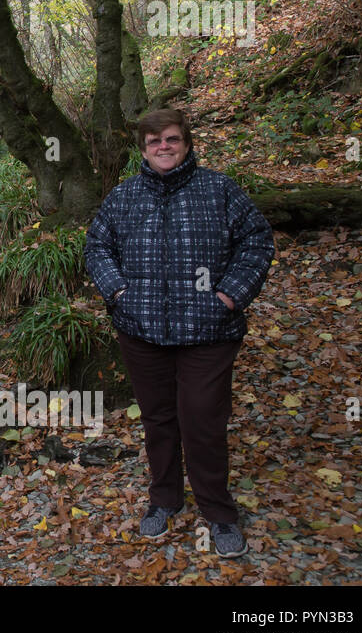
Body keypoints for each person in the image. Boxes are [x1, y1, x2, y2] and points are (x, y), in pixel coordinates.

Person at [84, 108, 274, 558]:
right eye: (154, 142)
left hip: (209, 330)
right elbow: (97, 247)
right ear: (144, 149)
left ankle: (219, 511)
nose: (163, 147)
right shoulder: (124, 196)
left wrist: (228, 296)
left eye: (171, 139)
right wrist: (120, 293)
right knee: (158, 420)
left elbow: (257, 241)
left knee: (203, 420)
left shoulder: (220, 190)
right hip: (141, 330)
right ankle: (164, 499)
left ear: (186, 143)